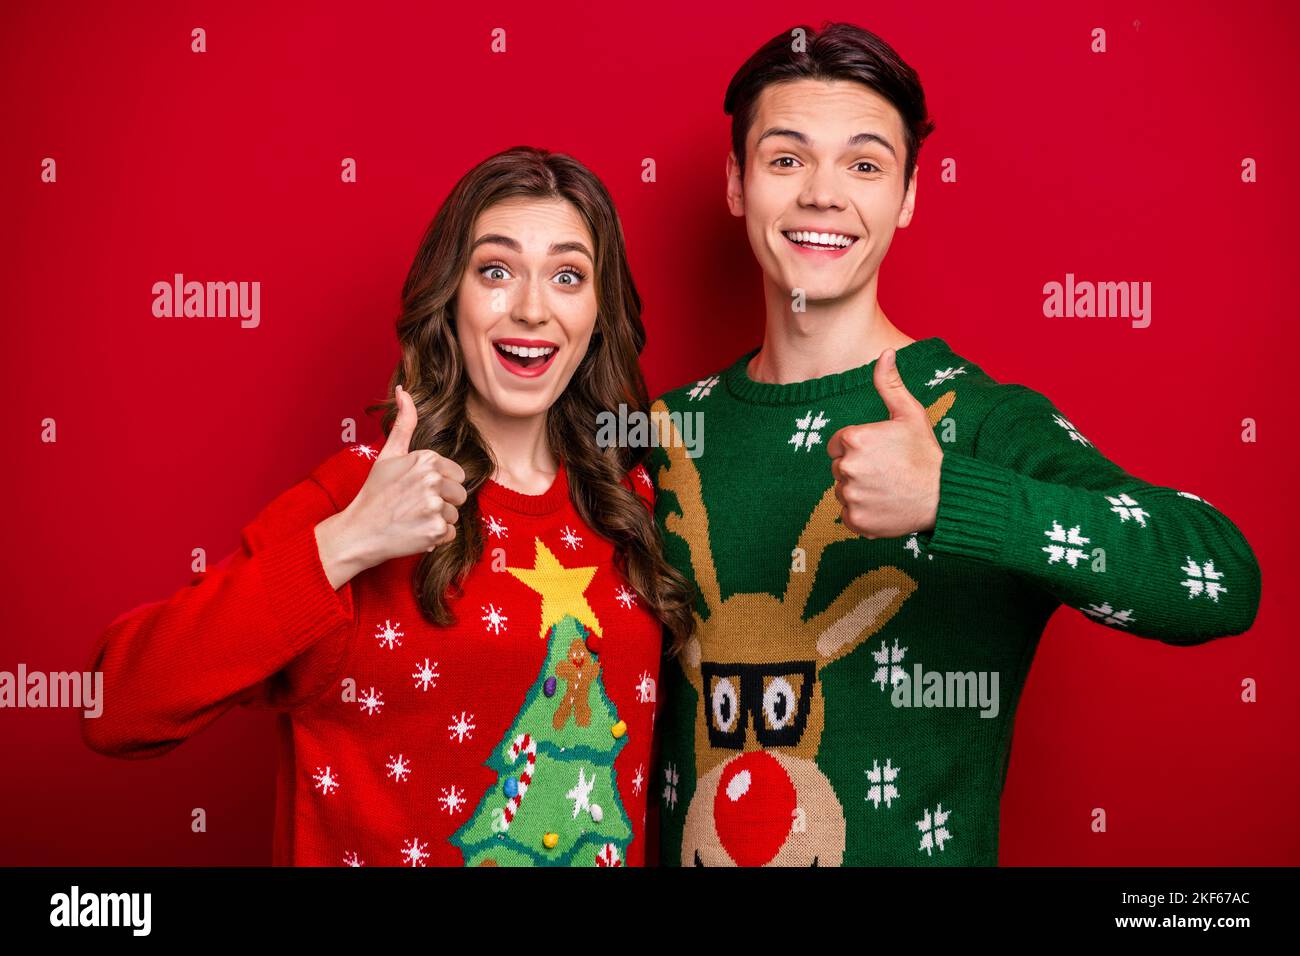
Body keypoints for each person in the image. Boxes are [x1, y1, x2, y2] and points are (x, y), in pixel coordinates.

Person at [646, 22, 1261, 866]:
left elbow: (1219, 578)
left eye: (865, 164)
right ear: (737, 183)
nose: (823, 194)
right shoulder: (661, 437)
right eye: (786, 158)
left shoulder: (978, 421)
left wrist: (951, 497)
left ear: (906, 196)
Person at [81, 146, 695, 867]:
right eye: (494, 271)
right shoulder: (358, 496)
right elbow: (114, 705)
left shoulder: (635, 505)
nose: (531, 308)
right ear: (450, 298)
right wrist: (342, 546)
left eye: (567, 276)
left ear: (598, 313)